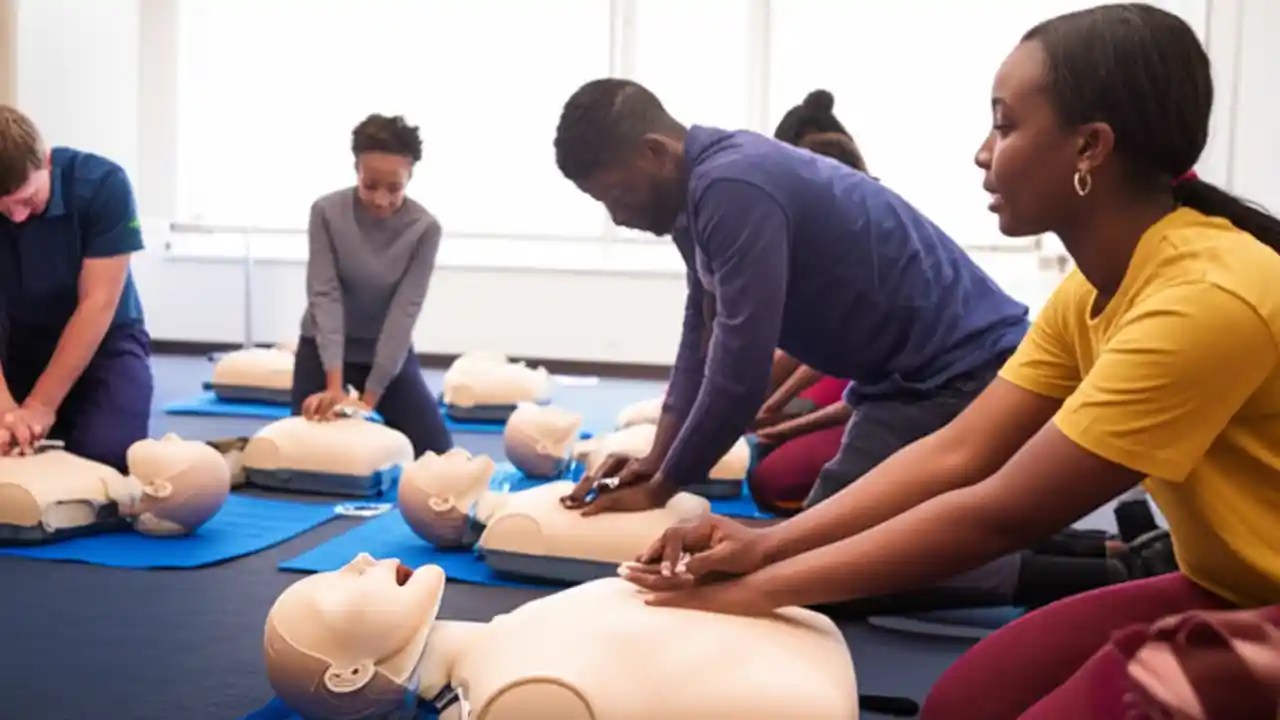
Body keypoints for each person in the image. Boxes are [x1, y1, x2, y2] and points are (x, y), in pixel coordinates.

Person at [620, 4, 1280, 717]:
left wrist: (763, 586)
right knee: (965, 703)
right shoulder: (1092, 287)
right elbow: (957, 453)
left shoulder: (1204, 298)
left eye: (1005, 124)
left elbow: (997, 513)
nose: (983, 152)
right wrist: (767, 544)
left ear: (1090, 147)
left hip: (1257, 592)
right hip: (1233, 579)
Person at [552, 78, 1030, 518]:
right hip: (902, 382)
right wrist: (658, 457)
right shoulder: (696, 194)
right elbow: (702, 333)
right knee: (837, 543)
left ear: (655, 152)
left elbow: (739, 372)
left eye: (616, 194)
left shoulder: (730, 186)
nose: (616, 217)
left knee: (838, 561)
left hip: (960, 371)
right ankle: (1092, 556)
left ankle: (1083, 566)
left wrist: (664, 486)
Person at [0, 105, 153, 472]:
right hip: (12, 342)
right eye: (3, 210)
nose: (18, 217)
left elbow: (97, 304)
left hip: (103, 342)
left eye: (27, 200)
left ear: (47, 162)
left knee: (104, 457)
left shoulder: (104, 185)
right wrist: (5, 412)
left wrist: (40, 407)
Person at [292, 113, 452, 457]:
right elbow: (324, 295)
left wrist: (366, 402)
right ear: (356, 171)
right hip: (322, 348)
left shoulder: (424, 229)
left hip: (385, 350)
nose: (381, 200)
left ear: (410, 176)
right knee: (303, 452)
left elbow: (403, 313)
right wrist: (334, 388)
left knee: (437, 451)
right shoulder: (326, 212)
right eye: (370, 185)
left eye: (394, 188)